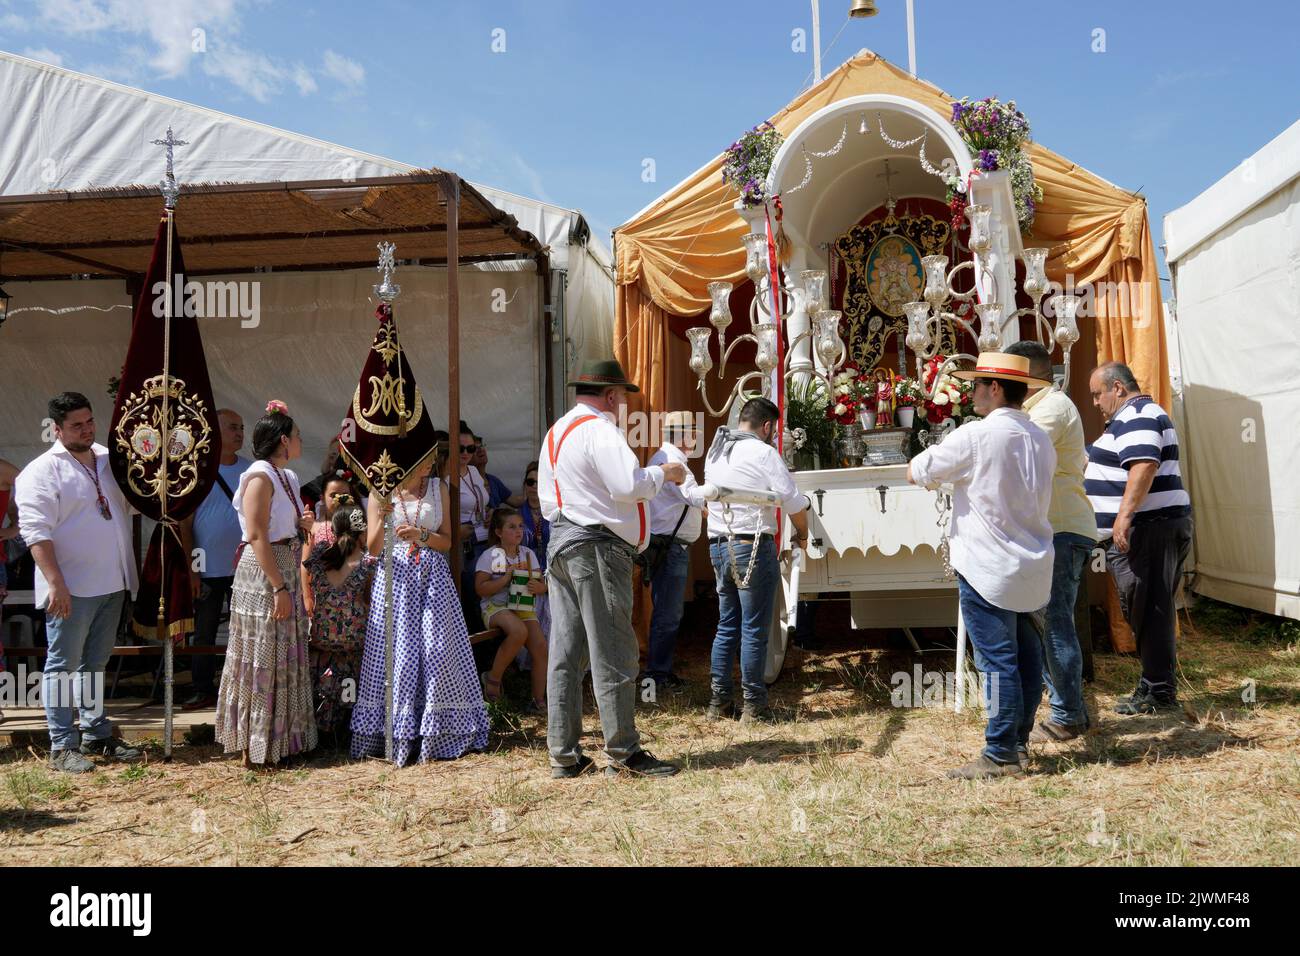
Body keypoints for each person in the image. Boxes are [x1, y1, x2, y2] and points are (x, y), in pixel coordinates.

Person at [538, 358, 688, 779]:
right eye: (622, 396)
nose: (624, 404)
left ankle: (564, 754)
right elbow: (628, 486)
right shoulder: (599, 430)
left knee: (566, 654)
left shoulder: (556, 433)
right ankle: (623, 753)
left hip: (565, 544)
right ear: (609, 396)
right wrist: (664, 472)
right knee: (614, 651)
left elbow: (550, 502)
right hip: (596, 549)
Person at [908, 352, 1055, 779]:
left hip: (989, 563)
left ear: (994, 389)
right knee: (1025, 659)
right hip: (1031, 563)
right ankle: (1017, 744)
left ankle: (1000, 752)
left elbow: (920, 470)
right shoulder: (1039, 437)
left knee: (997, 661)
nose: (971, 393)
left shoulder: (977, 435)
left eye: (976, 385)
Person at [15, 392, 141, 772]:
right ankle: (61, 745)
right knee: (62, 665)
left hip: (112, 581)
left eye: (89, 422)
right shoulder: (41, 470)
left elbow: (133, 504)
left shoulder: (107, 458)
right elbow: (35, 532)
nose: (86, 430)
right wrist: (56, 583)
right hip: (71, 586)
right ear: (56, 428)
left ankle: (96, 734)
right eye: (76, 425)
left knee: (95, 664)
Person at [351, 451, 489, 765]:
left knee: (437, 650)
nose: (429, 464)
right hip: (395, 576)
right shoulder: (379, 491)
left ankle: (439, 734)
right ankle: (398, 737)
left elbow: (448, 541)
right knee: (400, 654)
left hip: (431, 574)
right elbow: (372, 548)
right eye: (423, 457)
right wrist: (384, 517)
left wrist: (421, 535)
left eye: (431, 457)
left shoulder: (439, 487)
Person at [1084, 362, 1193, 715]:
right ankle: (1152, 685)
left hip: (1149, 527)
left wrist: (1124, 516)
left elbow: (1144, 464)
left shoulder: (1139, 414)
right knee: (1145, 607)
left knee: (1151, 608)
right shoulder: (1129, 418)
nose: (1096, 403)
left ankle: (1160, 692)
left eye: (1097, 394)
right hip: (1150, 528)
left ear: (1117, 387)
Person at [214, 401, 318, 767]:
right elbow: (257, 534)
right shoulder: (259, 475)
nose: (301, 441)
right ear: (284, 440)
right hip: (264, 571)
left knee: (284, 653)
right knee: (261, 654)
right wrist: (278, 587)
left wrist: (301, 526)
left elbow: (278, 525)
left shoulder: (286, 476)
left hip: (286, 563)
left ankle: (280, 743)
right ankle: (252, 745)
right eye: (298, 436)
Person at [1005, 342, 1097, 741]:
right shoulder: (1036, 408)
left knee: (1056, 624)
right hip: (1053, 528)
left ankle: (1068, 716)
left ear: (1027, 375)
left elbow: (1016, 453)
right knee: (1048, 623)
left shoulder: (1051, 408)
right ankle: (1066, 708)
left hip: (1062, 528)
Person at [703, 398, 810, 723]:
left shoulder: (717, 449)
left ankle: (719, 701)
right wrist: (802, 535)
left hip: (719, 544)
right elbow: (793, 503)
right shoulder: (763, 452)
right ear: (767, 427)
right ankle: (754, 706)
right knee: (753, 628)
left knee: (727, 625)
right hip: (750, 543)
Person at [178, 408, 251, 711]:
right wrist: (193, 571)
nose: (239, 433)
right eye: (233, 427)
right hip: (207, 568)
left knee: (245, 629)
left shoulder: (251, 470)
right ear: (216, 431)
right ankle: (202, 688)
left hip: (244, 567)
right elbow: (185, 523)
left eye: (242, 427)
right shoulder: (198, 469)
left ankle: (243, 687)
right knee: (204, 632)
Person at [302, 504, 376, 747]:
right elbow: (368, 600)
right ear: (362, 532)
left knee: (326, 674)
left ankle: (322, 728)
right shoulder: (367, 563)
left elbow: (305, 564)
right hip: (355, 639)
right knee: (352, 676)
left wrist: (310, 532)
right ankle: (349, 726)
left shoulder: (320, 557)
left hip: (321, 638)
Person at [643, 411, 707, 692]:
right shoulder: (673, 462)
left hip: (667, 547)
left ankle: (659, 673)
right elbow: (692, 495)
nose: (695, 438)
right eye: (693, 432)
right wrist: (723, 491)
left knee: (667, 613)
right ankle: (656, 677)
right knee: (668, 614)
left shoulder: (664, 457)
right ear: (682, 435)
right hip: (670, 549)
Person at [475, 507, 548, 714]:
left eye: (520, 526)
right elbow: (480, 589)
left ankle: (538, 700)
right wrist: (505, 579)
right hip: (495, 607)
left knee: (540, 646)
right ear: (498, 532)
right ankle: (493, 679)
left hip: (522, 605)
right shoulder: (492, 555)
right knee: (518, 631)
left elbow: (539, 582)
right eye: (511, 527)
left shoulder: (527, 553)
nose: (518, 531)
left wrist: (540, 587)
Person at [450, 426, 492, 633]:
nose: (466, 453)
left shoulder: (474, 471)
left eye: (470, 448)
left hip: (484, 540)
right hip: (463, 544)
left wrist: (489, 512)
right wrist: (456, 529)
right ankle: (477, 654)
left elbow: (482, 502)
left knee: (488, 596)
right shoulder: (446, 477)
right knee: (472, 597)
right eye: (461, 448)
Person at [474, 435, 524, 508]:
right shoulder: (466, 481)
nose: (480, 450)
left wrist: (531, 490)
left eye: (481, 446)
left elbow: (515, 502)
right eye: (475, 448)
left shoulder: (493, 480)